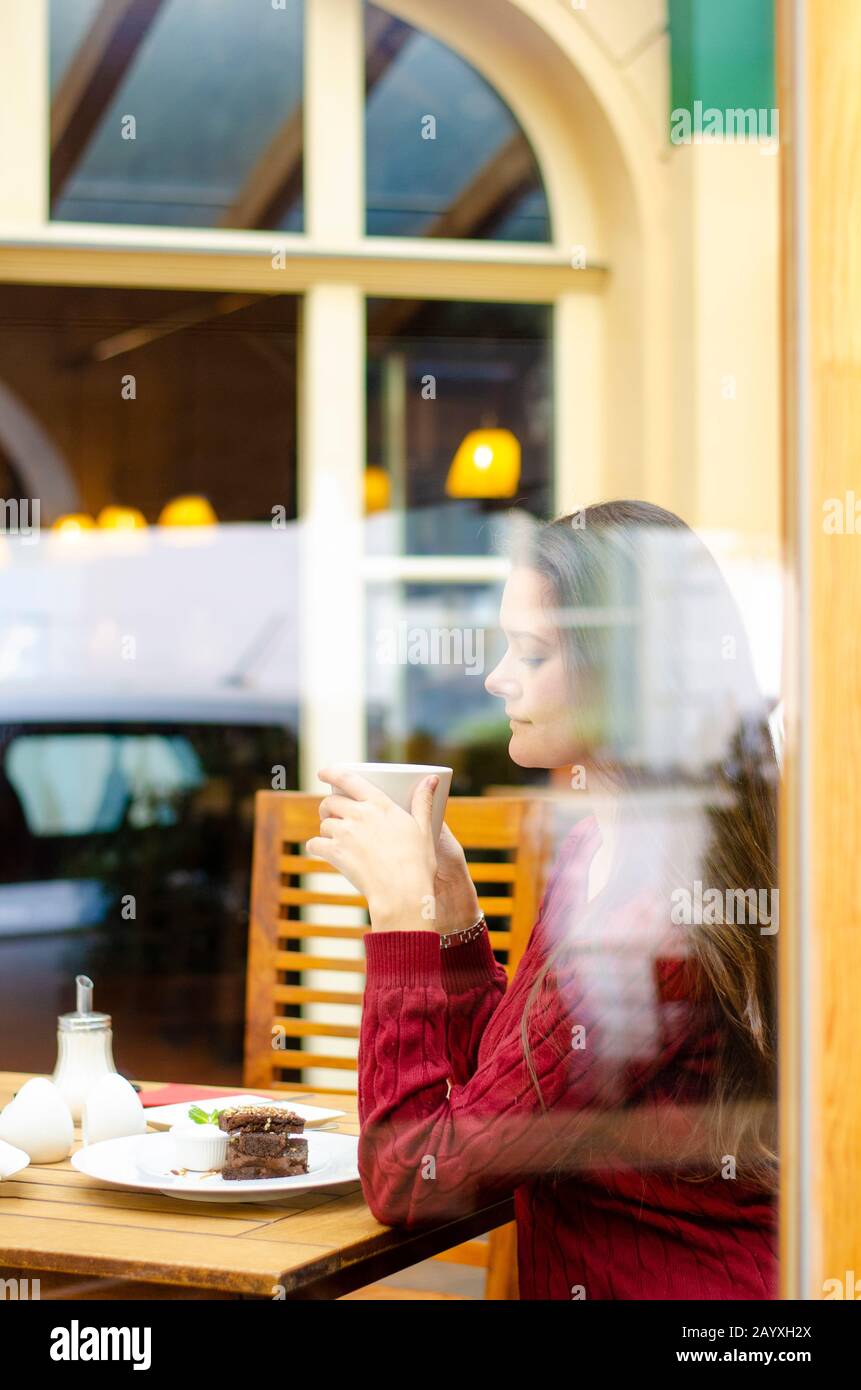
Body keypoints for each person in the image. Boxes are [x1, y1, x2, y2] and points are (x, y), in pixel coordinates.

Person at [309, 500, 778, 1300]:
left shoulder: (652, 916)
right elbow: (503, 1094)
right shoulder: (601, 847)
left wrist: (399, 923)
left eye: (530, 652)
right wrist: (453, 915)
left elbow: (412, 1180)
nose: (496, 677)